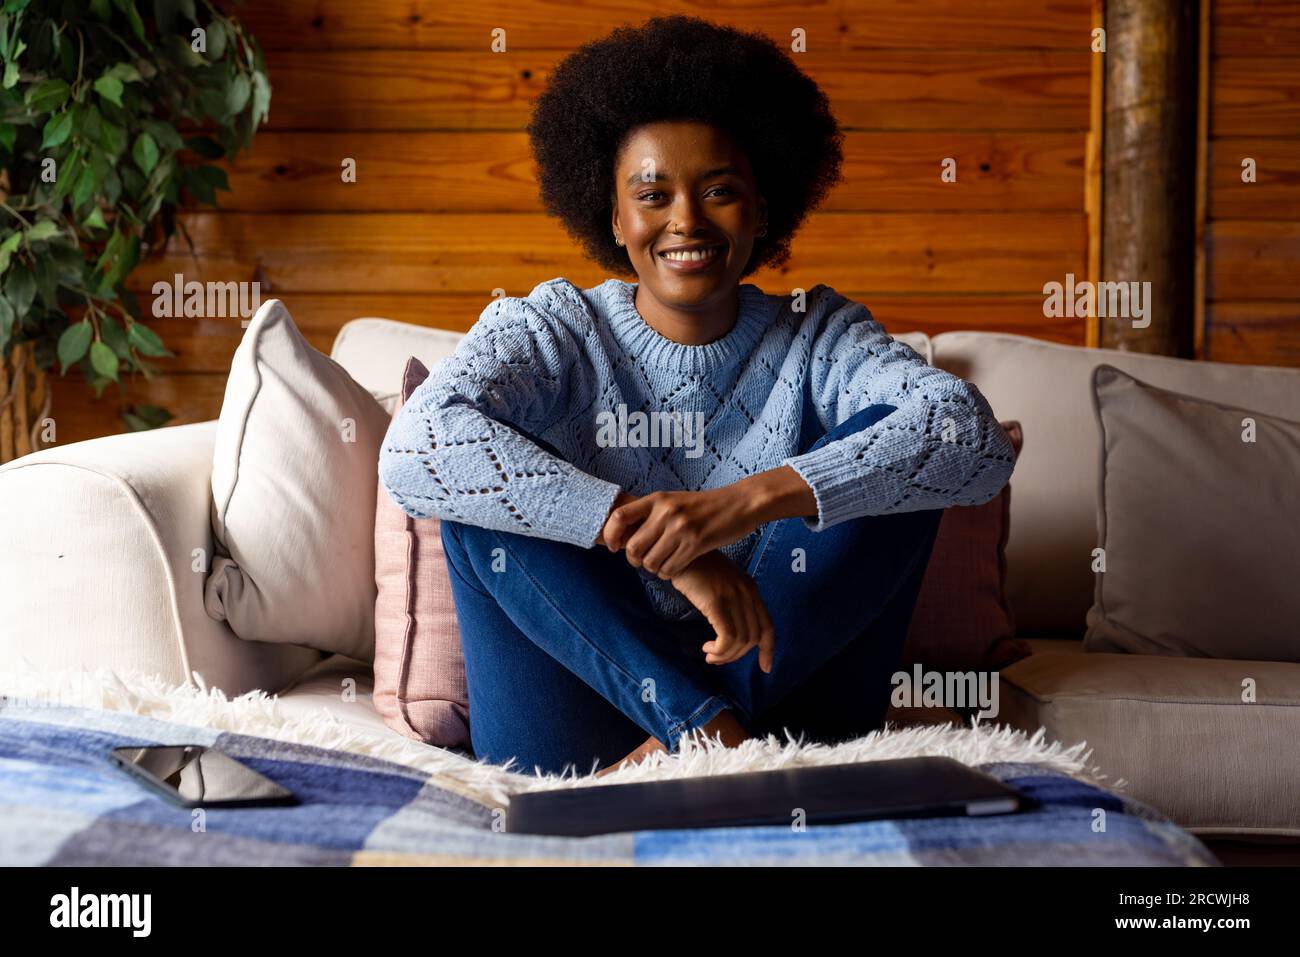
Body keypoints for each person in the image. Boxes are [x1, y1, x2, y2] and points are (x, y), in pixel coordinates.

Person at [378, 15, 1016, 778]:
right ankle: (706, 731)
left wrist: (735, 507)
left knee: (895, 450)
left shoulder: (820, 334)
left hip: (781, 685)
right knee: (479, 485)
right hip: (583, 703)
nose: (685, 219)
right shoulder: (553, 328)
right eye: (653, 195)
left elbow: (972, 440)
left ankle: (699, 734)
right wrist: (654, 541)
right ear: (615, 218)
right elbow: (414, 449)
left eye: (719, 190)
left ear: (763, 209)